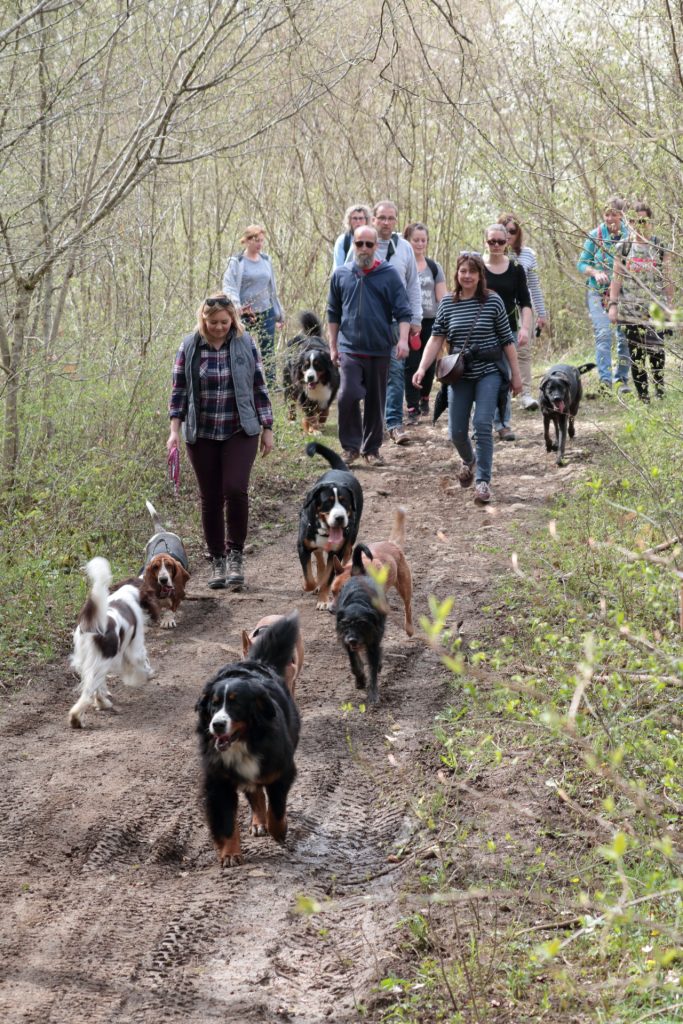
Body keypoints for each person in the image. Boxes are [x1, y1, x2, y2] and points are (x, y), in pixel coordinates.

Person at [167, 294, 274, 590]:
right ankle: (217, 559)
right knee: (210, 497)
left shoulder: (245, 342)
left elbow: (258, 384)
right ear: (203, 319)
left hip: (240, 428)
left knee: (235, 489)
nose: (218, 327)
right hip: (201, 434)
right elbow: (178, 391)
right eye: (212, 322)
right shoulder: (190, 346)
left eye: (224, 322)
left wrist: (267, 427)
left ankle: (235, 554)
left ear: (233, 320)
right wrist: (174, 431)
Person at [412, 253, 522, 505]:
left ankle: (483, 481)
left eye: (473, 271)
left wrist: (516, 376)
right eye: (463, 271)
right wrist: (421, 368)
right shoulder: (448, 304)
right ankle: (469, 460)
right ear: (457, 274)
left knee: (483, 424)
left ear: (480, 275)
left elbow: (507, 341)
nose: (468, 276)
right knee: (456, 433)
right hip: (458, 375)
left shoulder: (492, 301)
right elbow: (436, 339)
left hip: (489, 372)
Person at [327, 225, 412, 466]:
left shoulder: (389, 274)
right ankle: (350, 447)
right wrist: (333, 346)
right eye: (359, 243)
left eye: (369, 244)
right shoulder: (341, 275)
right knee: (347, 395)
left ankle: (371, 449)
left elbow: (403, 311)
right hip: (349, 347)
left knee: (376, 400)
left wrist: (403, 340)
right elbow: (332, 313)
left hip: (379, 348)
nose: (364, 248)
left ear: (377, 246)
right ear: (353, 245)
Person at [350, 200, 421, 446]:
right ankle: (371, 423)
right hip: (366, 323)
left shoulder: (404, 248)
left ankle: (394, 424)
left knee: (396, 372)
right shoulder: (361, 244)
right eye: (382, 218)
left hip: (395, 322)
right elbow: (347, 279)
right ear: (373, 219)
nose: (386, 223)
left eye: (391, 218)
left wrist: (416, 318)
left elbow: (412, 284)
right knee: (364, 376)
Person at [608, 202, 674, 401]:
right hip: (630, 310)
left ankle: (660, 392)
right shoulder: (624, 247)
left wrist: (670, 308)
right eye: (634, 221)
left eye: (643, 220)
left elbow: (668, 279)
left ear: (650, 221)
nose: (639, 224)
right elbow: (616, 278)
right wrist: (613, 306)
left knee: (656, 352)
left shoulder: (659, 247)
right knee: (636, 355)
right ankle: (643, 397)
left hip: (655, 310)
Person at [483, 224, 532, 441]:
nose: (496, 245)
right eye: (491, 241)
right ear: (485, 242)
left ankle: (502, 423)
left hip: (507, 330)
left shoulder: (516, 268)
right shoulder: (477, 267)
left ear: (507, 243)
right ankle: (481, 423)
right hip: (480, 330)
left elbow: (525, 302)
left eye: (500, 241)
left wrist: (525, 328)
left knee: (505, 377)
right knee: (480, 376)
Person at [577, 197, 630, 393]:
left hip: (625, 292)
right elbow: (581, 263)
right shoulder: (595, 235)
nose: (609, 218)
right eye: (606, 214)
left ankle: (621, 379)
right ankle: (605, 381)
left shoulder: (629, 236)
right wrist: (595, 272)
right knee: (603, 333)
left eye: (613, 214)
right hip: (597, 293)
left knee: (624, 336)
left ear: (622, 215)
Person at [498, 211, 548, 411]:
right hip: (501, 308)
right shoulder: (493, 252)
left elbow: (534, 285)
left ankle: (526, 393)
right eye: (505, 230)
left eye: (513, 230)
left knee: (523, 350)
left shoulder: (527, 254)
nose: (509, 234)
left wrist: (541, 313)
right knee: (500, 352)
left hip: (523, 308)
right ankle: (502, 393)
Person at [222, 225, 284, 383]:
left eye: (262, 241)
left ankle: (270, 384)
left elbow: (272, 288)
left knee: (268, 349)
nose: (259, 244)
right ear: (247, 240)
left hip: (266, 310)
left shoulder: (266, 260)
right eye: (256, 240)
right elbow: (229, 287)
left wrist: (279, 314)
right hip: (245, 313)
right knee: (242, 348)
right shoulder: (237, 262)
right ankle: (242, 380)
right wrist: (236, 307)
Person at [402, 222, 447, 423]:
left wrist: (447, 321)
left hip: (432, 321)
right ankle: (411, 407)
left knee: (428, 365)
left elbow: (443, 297)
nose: (420, 244)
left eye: (423, 240)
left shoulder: (434, 267)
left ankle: (424, 398)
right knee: (411, 364)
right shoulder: (402, 264)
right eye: (415, 240)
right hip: (409, 323)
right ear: (407, 240)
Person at [332, 204, 372, 270]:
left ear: (366, 220)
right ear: (349, 221)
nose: (358, 221)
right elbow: (338, 268)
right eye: (355, 218)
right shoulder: (343, 240)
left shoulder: (373, 239)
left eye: (361, 218)